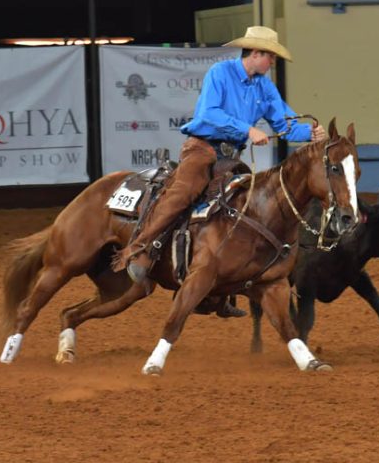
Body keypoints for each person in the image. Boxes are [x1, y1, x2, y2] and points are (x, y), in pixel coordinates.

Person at [112, 25, 327, 283]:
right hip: (202, 148)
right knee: (185, 192)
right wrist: (248, 129)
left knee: (241, 206)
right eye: (271, 56)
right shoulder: (220, 73)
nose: (273, 61)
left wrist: (309, 133)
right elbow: (209, 114)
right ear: (257, 53)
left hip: (231, 158)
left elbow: (284, 125)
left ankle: (222, 277)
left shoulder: (266, 88)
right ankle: (140, 250)